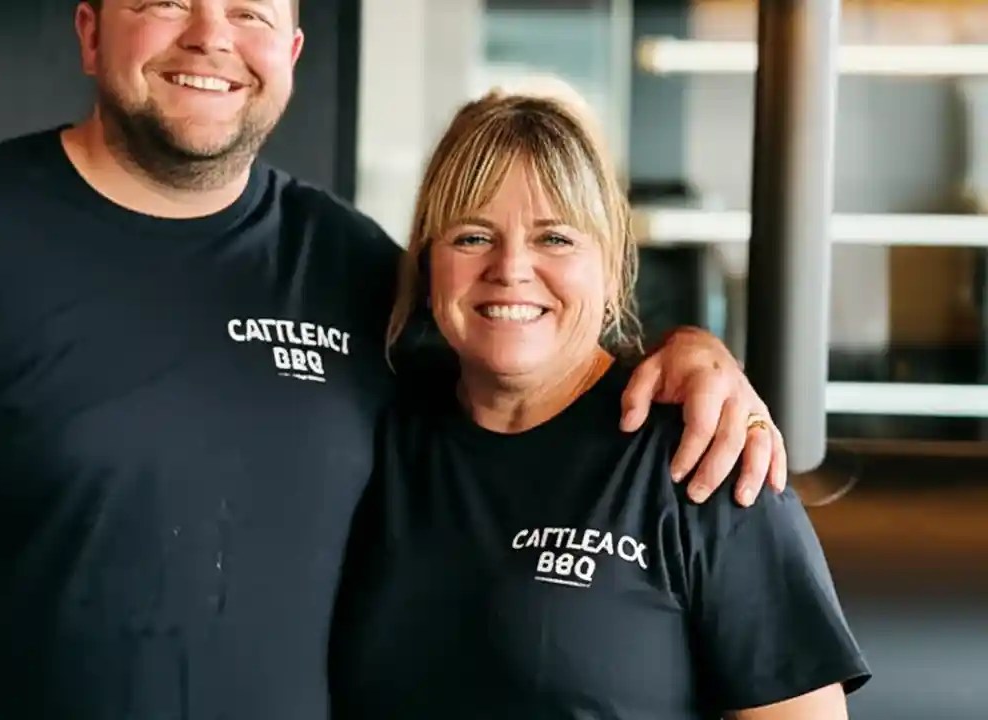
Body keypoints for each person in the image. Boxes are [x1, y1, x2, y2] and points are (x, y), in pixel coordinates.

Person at [0, 1, 784, 718]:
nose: (211, 36)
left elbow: (519, 360)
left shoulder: (355, 270)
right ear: (90, 27)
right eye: (165, 0)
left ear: (290, 48)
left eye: (250, 11)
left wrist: (686, 356)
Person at [328, 89, 871, 719]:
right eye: (472, 236)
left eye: (554, 238)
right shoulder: (379, 432)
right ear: (428, 265)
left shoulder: (703, 454)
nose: (511, 269)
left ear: (611, 267)